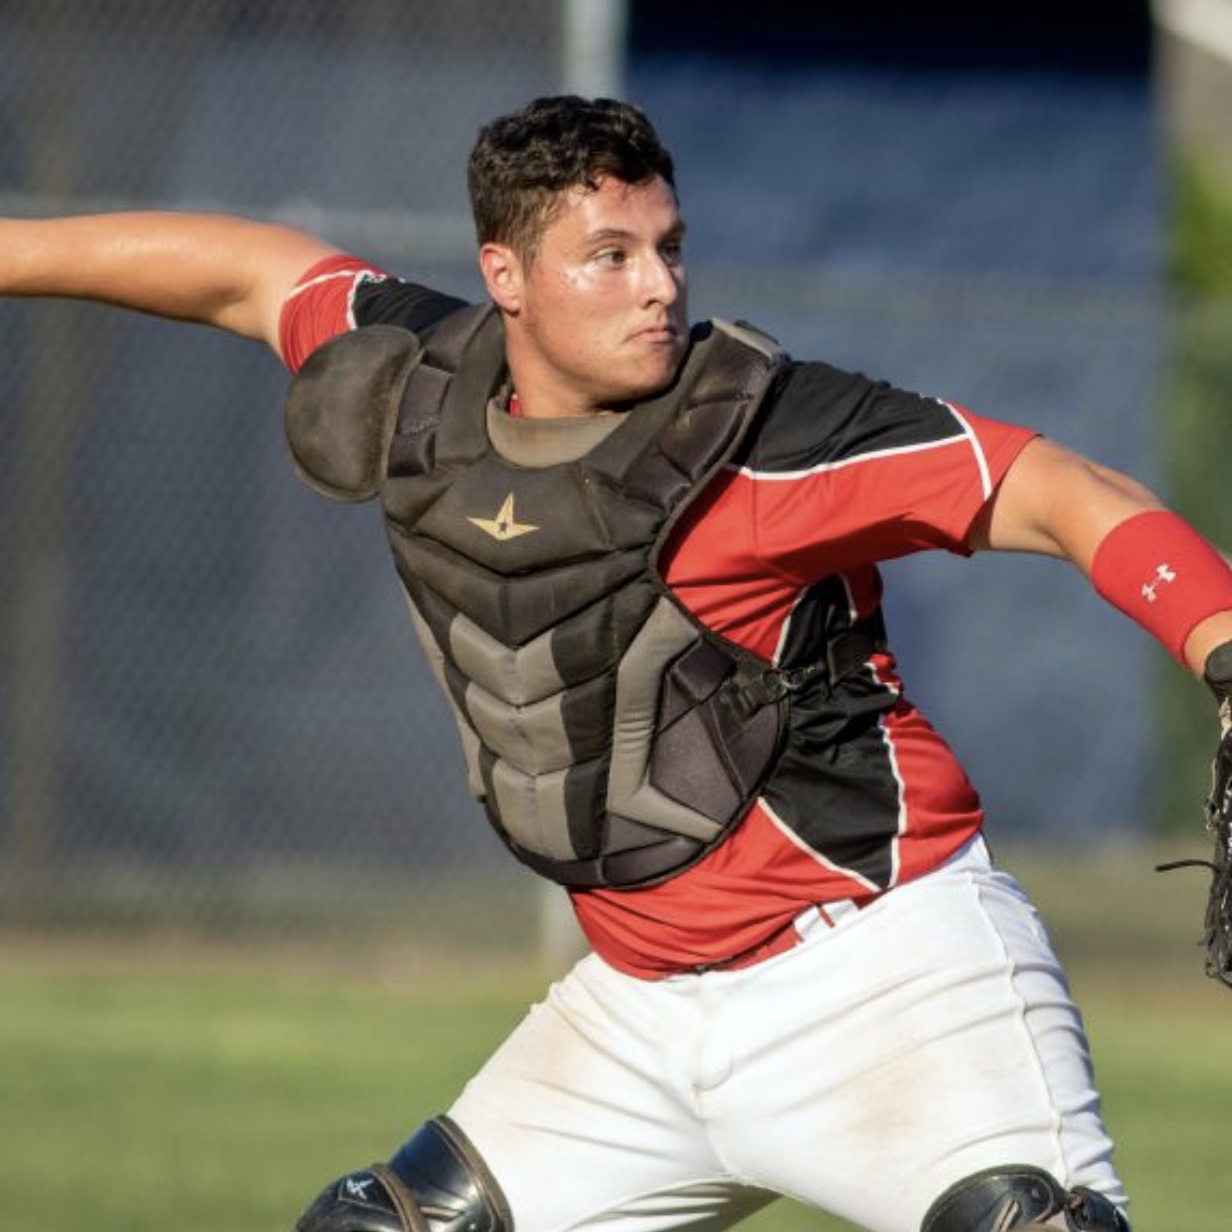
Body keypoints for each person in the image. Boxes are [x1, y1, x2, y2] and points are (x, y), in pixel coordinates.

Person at [5, 94, 1232, 1232]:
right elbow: (247, 271)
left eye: (668, 245)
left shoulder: (766, 430)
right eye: (610, 255)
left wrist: (1218, 642)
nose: (660, 287)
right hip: (638, 1010)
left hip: (886, 974)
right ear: (506, 277)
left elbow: (1063, 489)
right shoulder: (418, 381)